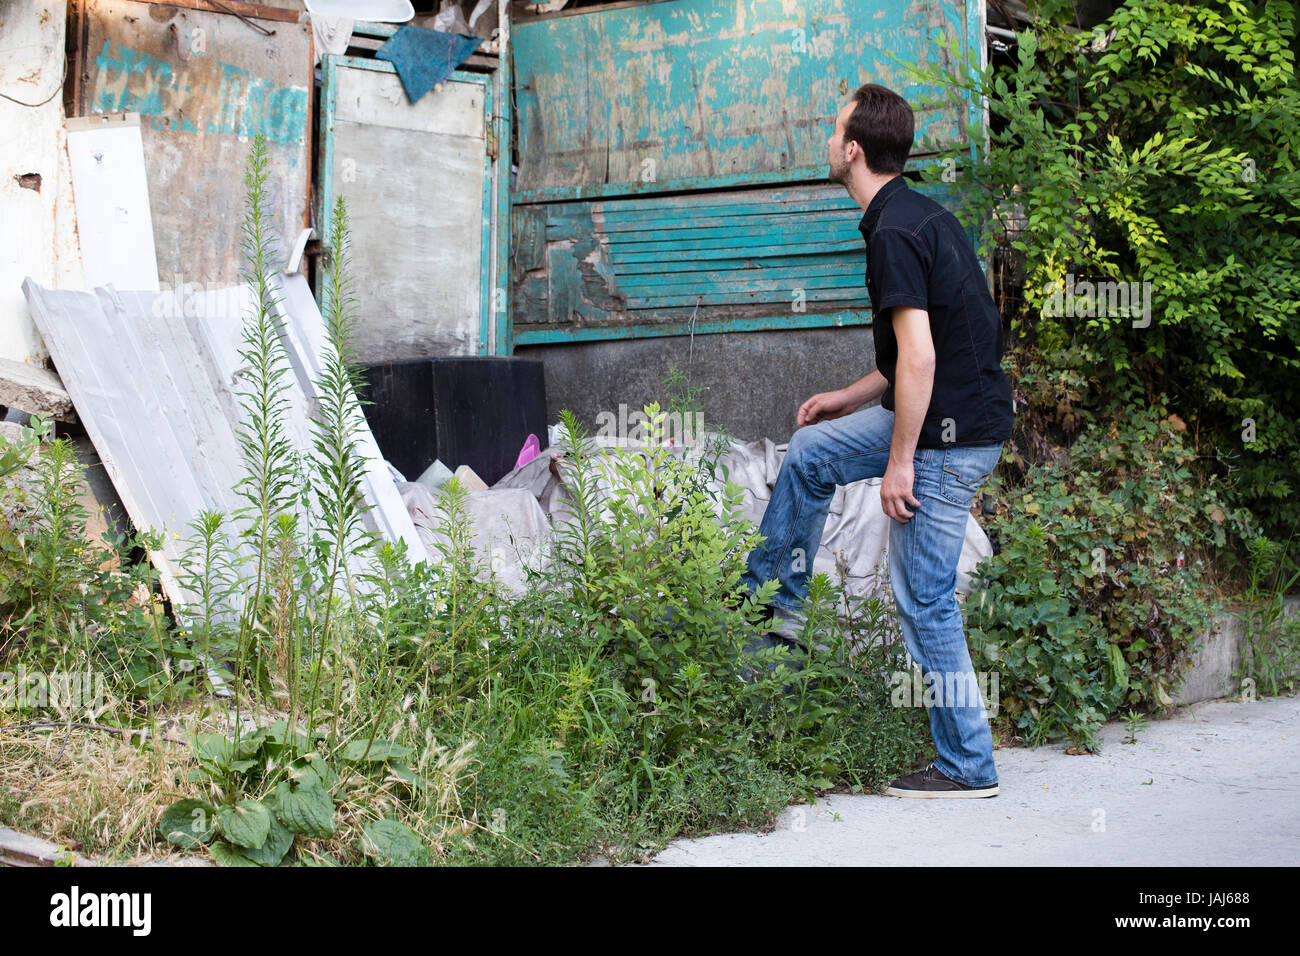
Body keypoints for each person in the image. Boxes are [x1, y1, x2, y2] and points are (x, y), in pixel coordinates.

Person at [738, 83, 1014, 798]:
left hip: (948, 441)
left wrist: (898, 466)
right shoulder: (915, 215)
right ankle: (778, 606)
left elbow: (921, 360)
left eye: (834, 131)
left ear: (854, 149)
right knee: (810, 453)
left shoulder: (894, 231)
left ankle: (967, 765)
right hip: (941, 417)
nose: (828, 141)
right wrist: (847, 397)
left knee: (923, 597)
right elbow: (914, 356)